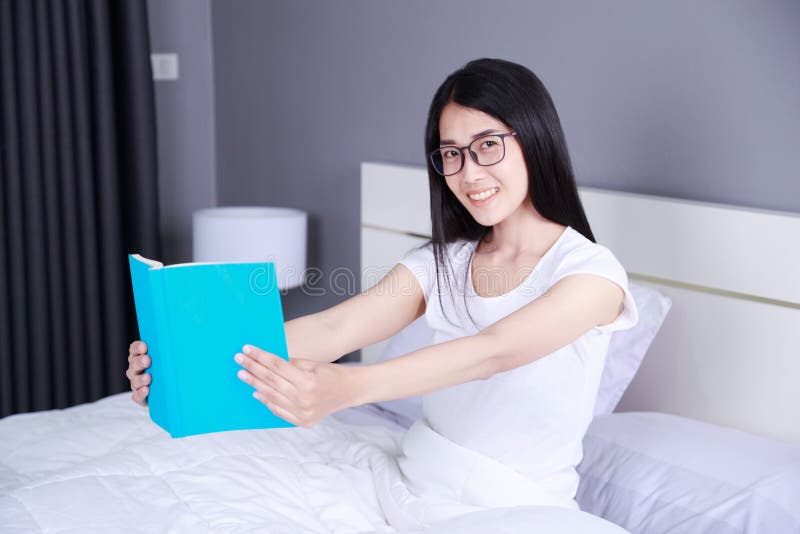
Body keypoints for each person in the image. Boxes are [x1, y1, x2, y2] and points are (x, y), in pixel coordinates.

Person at [126, 58, 637, 522]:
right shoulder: (444, 262)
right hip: (417, 478)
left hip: (517, 506)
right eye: (451, 154)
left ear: (535, 138)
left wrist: (346, 388)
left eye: (487, 146)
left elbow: (492, 352)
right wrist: (184, 364)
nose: (469, 173)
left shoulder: (593, 276)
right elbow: (336, 328)